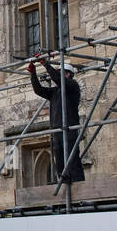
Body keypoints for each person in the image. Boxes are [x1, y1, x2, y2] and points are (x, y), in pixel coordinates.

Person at [27, 56, 85, 184]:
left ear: (68, 74)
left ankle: (78, 184)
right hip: (56, 129)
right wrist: (33, 74)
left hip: (69, 127)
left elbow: (58, 80)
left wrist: (46, 64)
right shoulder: (55, 92)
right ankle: (63, 181)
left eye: (61, 73)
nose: (58, 75)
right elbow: (39, 90)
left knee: (72, 159)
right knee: (59, 159)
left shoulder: (72, 87)